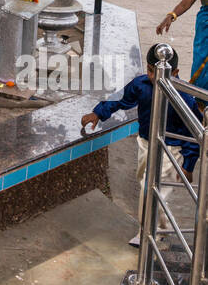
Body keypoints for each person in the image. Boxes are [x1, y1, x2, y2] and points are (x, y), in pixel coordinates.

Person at [81, 44, 202, 245]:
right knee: (145, 185)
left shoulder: (184, 97)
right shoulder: (141, 85)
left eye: (161, 73)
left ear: (176, 72)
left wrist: (188, 165)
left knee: (152, 190)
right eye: (150, 71)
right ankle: (161, 228)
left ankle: (150, 234)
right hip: (145, 143)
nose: (154, 77)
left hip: (170, 150)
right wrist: (98, 112)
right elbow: (120, 99)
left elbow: (193, 131)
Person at [157, 0, 208, 90]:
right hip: (205, 28)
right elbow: (184, 4)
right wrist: (171, 16)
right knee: (202, 60)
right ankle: (200, 99)